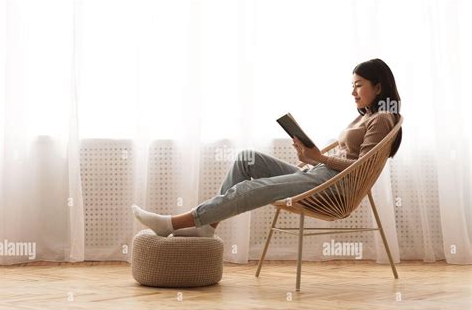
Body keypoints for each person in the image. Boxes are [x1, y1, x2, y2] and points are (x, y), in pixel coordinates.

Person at [132, 58, 402, 237]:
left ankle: (171, 223)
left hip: (334, 188)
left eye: (358, 86)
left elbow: (360, 167)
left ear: (378, 87)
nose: (353, 92)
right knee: (247, 159)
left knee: (247, 188)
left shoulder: (381, 119)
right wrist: (311, 157)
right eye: (352, 86)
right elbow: (344, 158)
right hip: (321, 175)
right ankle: (207, 227)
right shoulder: (366, 115)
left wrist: (318, 157)